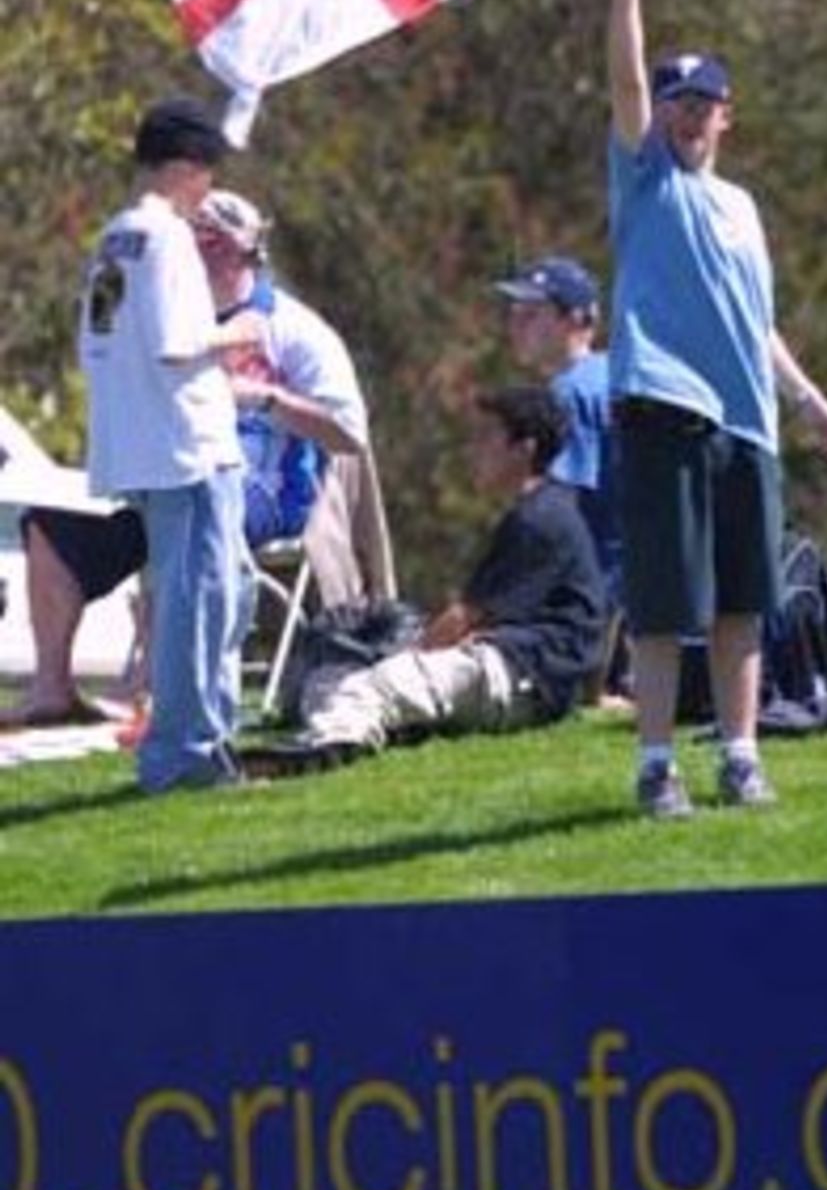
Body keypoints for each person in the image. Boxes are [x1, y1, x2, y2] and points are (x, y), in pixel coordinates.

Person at [605, 0, 827, 817]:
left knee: (744, 603)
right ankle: (655, 764)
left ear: (725, 115)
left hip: (748, 421)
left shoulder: (742, 208)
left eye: (700, 101)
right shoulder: (648, 182)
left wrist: (815, 404)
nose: (685, 113)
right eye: (675, 101)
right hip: (667, 409)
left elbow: (757, 324)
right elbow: (624, 79)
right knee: (668, 601)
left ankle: (741, 753)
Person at [7, 187, 369, 731]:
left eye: (213, 241)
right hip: (160, 469)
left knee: (185, 515)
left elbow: (349, 436)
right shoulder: (168, 314)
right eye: (193, 238)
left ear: (245, 251)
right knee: (52, 529)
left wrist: (268, 398)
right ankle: (52, 689)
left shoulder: (292, 328)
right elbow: (103, 335)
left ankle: (152, 689)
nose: (198, 252)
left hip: (260, 488)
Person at [266, 385, 606, 761]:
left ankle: (331, 745)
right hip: (515, 675)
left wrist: (409, 655)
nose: (473, 449)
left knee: (378, 683)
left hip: (523, 678)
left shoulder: (540, 520)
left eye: (486, 438)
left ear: (524, 449)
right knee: (331, 682)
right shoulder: (547, 508)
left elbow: (465, 617)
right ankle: (353, 732)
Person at [77, 97, 260, 792]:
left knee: (210, 592)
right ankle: (185, 753)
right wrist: (238, 334)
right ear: (185, 168)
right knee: (200, 600)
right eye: (206, 175)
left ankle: (205, 739)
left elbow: (96, 342)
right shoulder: (168, 238)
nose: (208, 190)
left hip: (141, 440)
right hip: (188, 444)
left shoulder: (114, 238)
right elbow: (179, 345)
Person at [492, 255, 620, 604]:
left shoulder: (567, 394)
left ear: (575, 320)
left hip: (598, 588)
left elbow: (562, 508)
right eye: (514, 313)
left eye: (532, 314)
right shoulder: (613, 373)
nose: (515, 325)